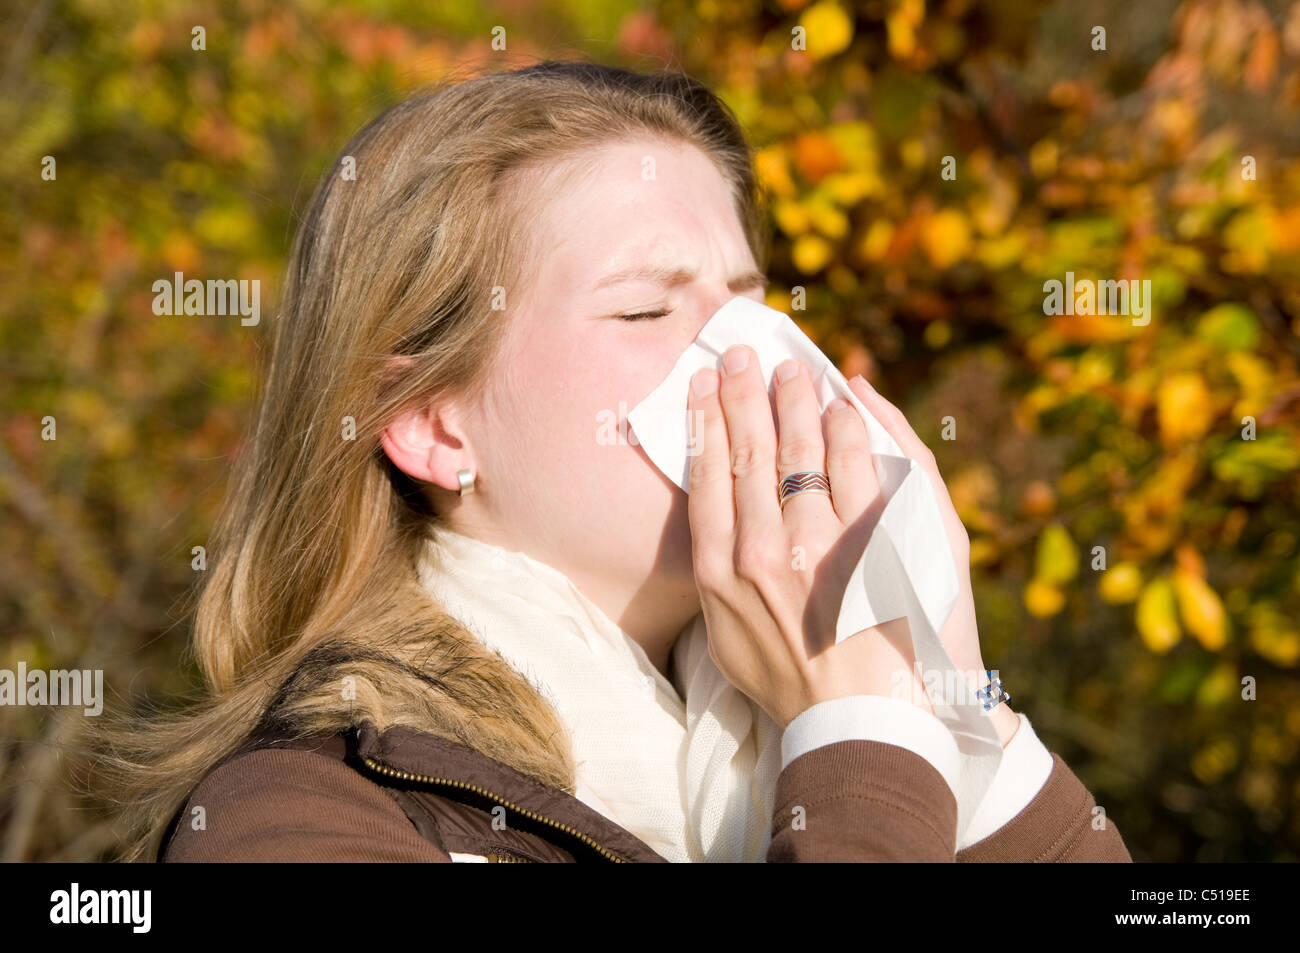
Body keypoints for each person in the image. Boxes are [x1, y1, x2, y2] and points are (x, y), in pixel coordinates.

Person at [93, 59, 1131, 863]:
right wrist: (860, 745)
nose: (748, 360)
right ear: (429, 422)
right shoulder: (297, 820)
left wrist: (938, 689)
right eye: (646, 308)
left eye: (746, 304)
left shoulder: (835, 719)